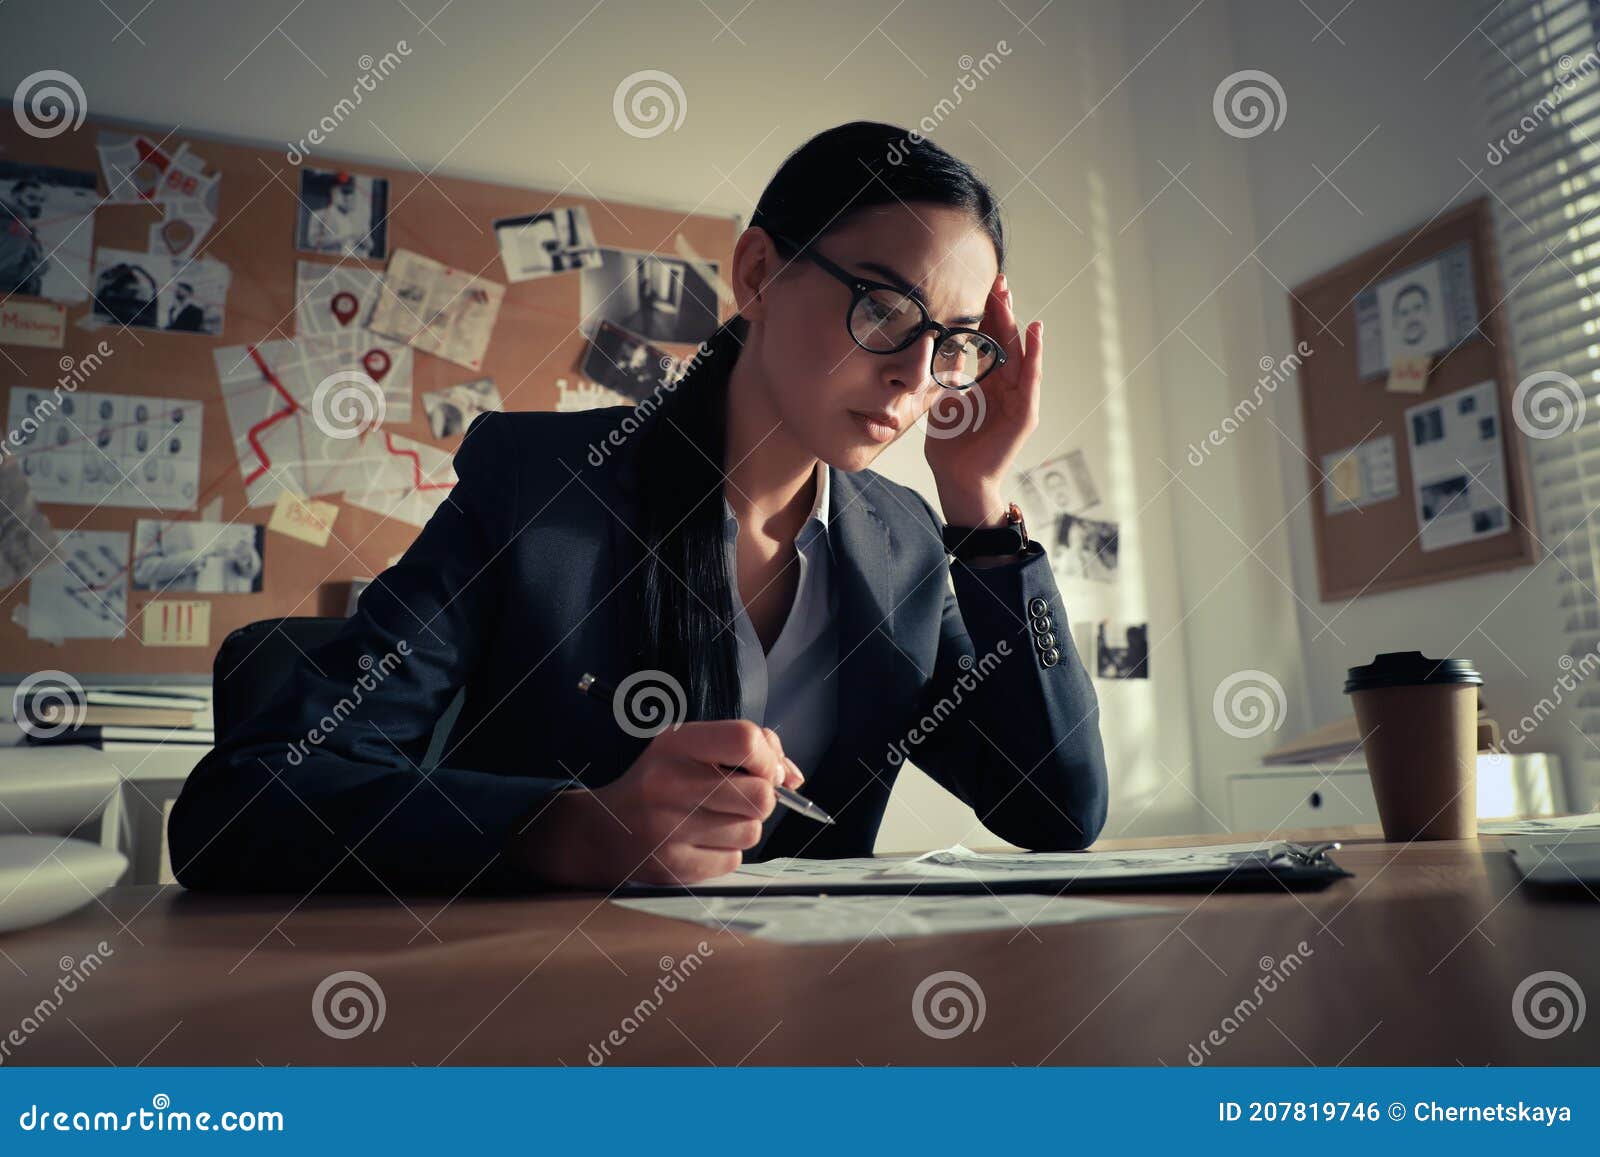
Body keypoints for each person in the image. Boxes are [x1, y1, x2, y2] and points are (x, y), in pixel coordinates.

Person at [168, 120, 1108, 895]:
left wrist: (979, 506)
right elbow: (245, 801)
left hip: (811, 1024)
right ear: (757, 274)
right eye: (887, 309)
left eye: (952, 342)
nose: (914, 371)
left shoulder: (905, 541)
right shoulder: (544, 490)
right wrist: (569, 830)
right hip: (539, 1014)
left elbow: (1055, 809)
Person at [302, 172, 372, 257]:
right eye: (344, 193)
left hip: (353, 265)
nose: (348, 198)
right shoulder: (319, 215)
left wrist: (363, 241)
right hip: (330, 264)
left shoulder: (358, 218)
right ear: (333, 193)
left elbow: (370, 245)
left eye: (351, 193)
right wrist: (341, 238)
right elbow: (312, 242)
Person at [0, 178, 47, 296]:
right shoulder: (12, 227)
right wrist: (36, 268)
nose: (37, 204)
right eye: (31, 198)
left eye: (41, 200)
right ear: (15, 197)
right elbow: (4, 272)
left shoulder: (22, 226)